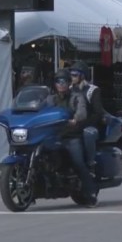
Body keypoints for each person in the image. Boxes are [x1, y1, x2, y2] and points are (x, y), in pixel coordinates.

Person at [47, 69, 98, 207]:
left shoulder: (76, 97)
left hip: (71, 136)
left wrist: (75, 119)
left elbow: (82, 111)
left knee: (78, 163)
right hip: (54, 136)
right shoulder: (50, 99)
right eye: (58, 81)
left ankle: (90, 194)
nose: (61, 84)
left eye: (64, 81)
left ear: (69, 83)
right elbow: (42, 110)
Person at [69, 60, 104, 169]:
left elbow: (98, 113)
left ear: (82, 76)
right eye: (71, 74)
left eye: (75, 75)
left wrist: (81, 123)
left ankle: (90, 163)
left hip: (89, 124)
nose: (72, 77)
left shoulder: (93, 90)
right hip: (72, 123)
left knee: (88, 133)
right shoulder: (69, 89)